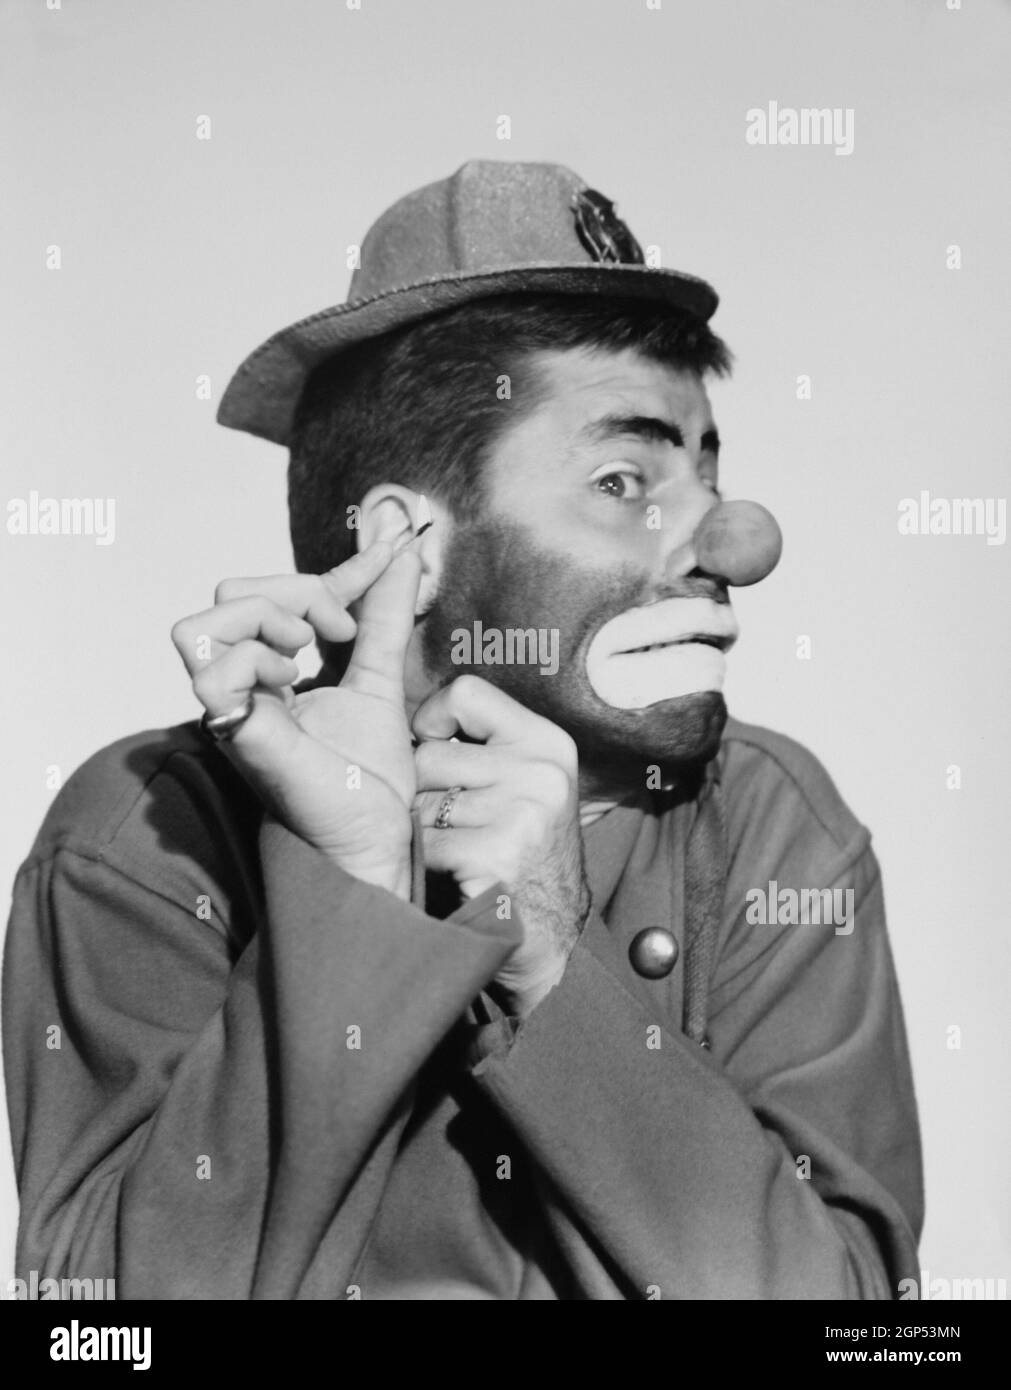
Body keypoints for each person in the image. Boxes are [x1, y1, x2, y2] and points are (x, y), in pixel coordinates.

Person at [2, 160, 923, 1300]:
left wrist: (553, 965)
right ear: (410, 545)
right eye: (625, 476)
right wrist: (348, 892)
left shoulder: (776, 827)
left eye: (708, 467)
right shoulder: (145, 832)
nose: (733, 540)